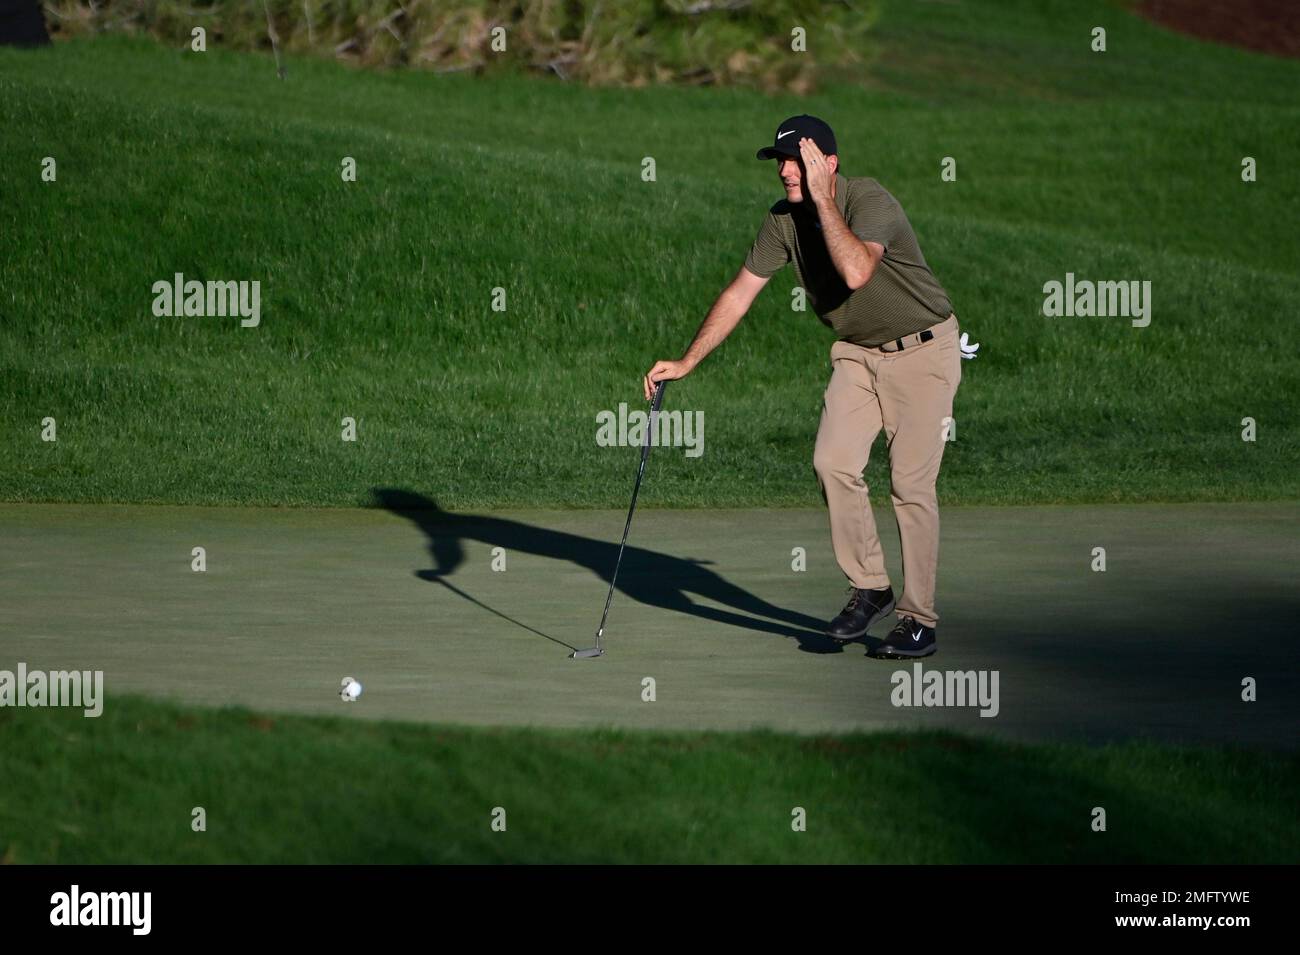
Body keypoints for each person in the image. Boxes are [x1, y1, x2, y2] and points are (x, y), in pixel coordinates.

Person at [643, 115, 976, 658]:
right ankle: (870, 586)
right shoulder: (781, 223)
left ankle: (919, 619)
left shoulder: (869, 200)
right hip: (856, 355)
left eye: (798, 161)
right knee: (832, 462)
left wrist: (823, 201)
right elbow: (740, 292)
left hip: (923, 351)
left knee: (910, 485)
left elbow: (855, 273)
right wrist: (687, 361)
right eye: (781, 162)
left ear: (830, 164)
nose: (786, 172)